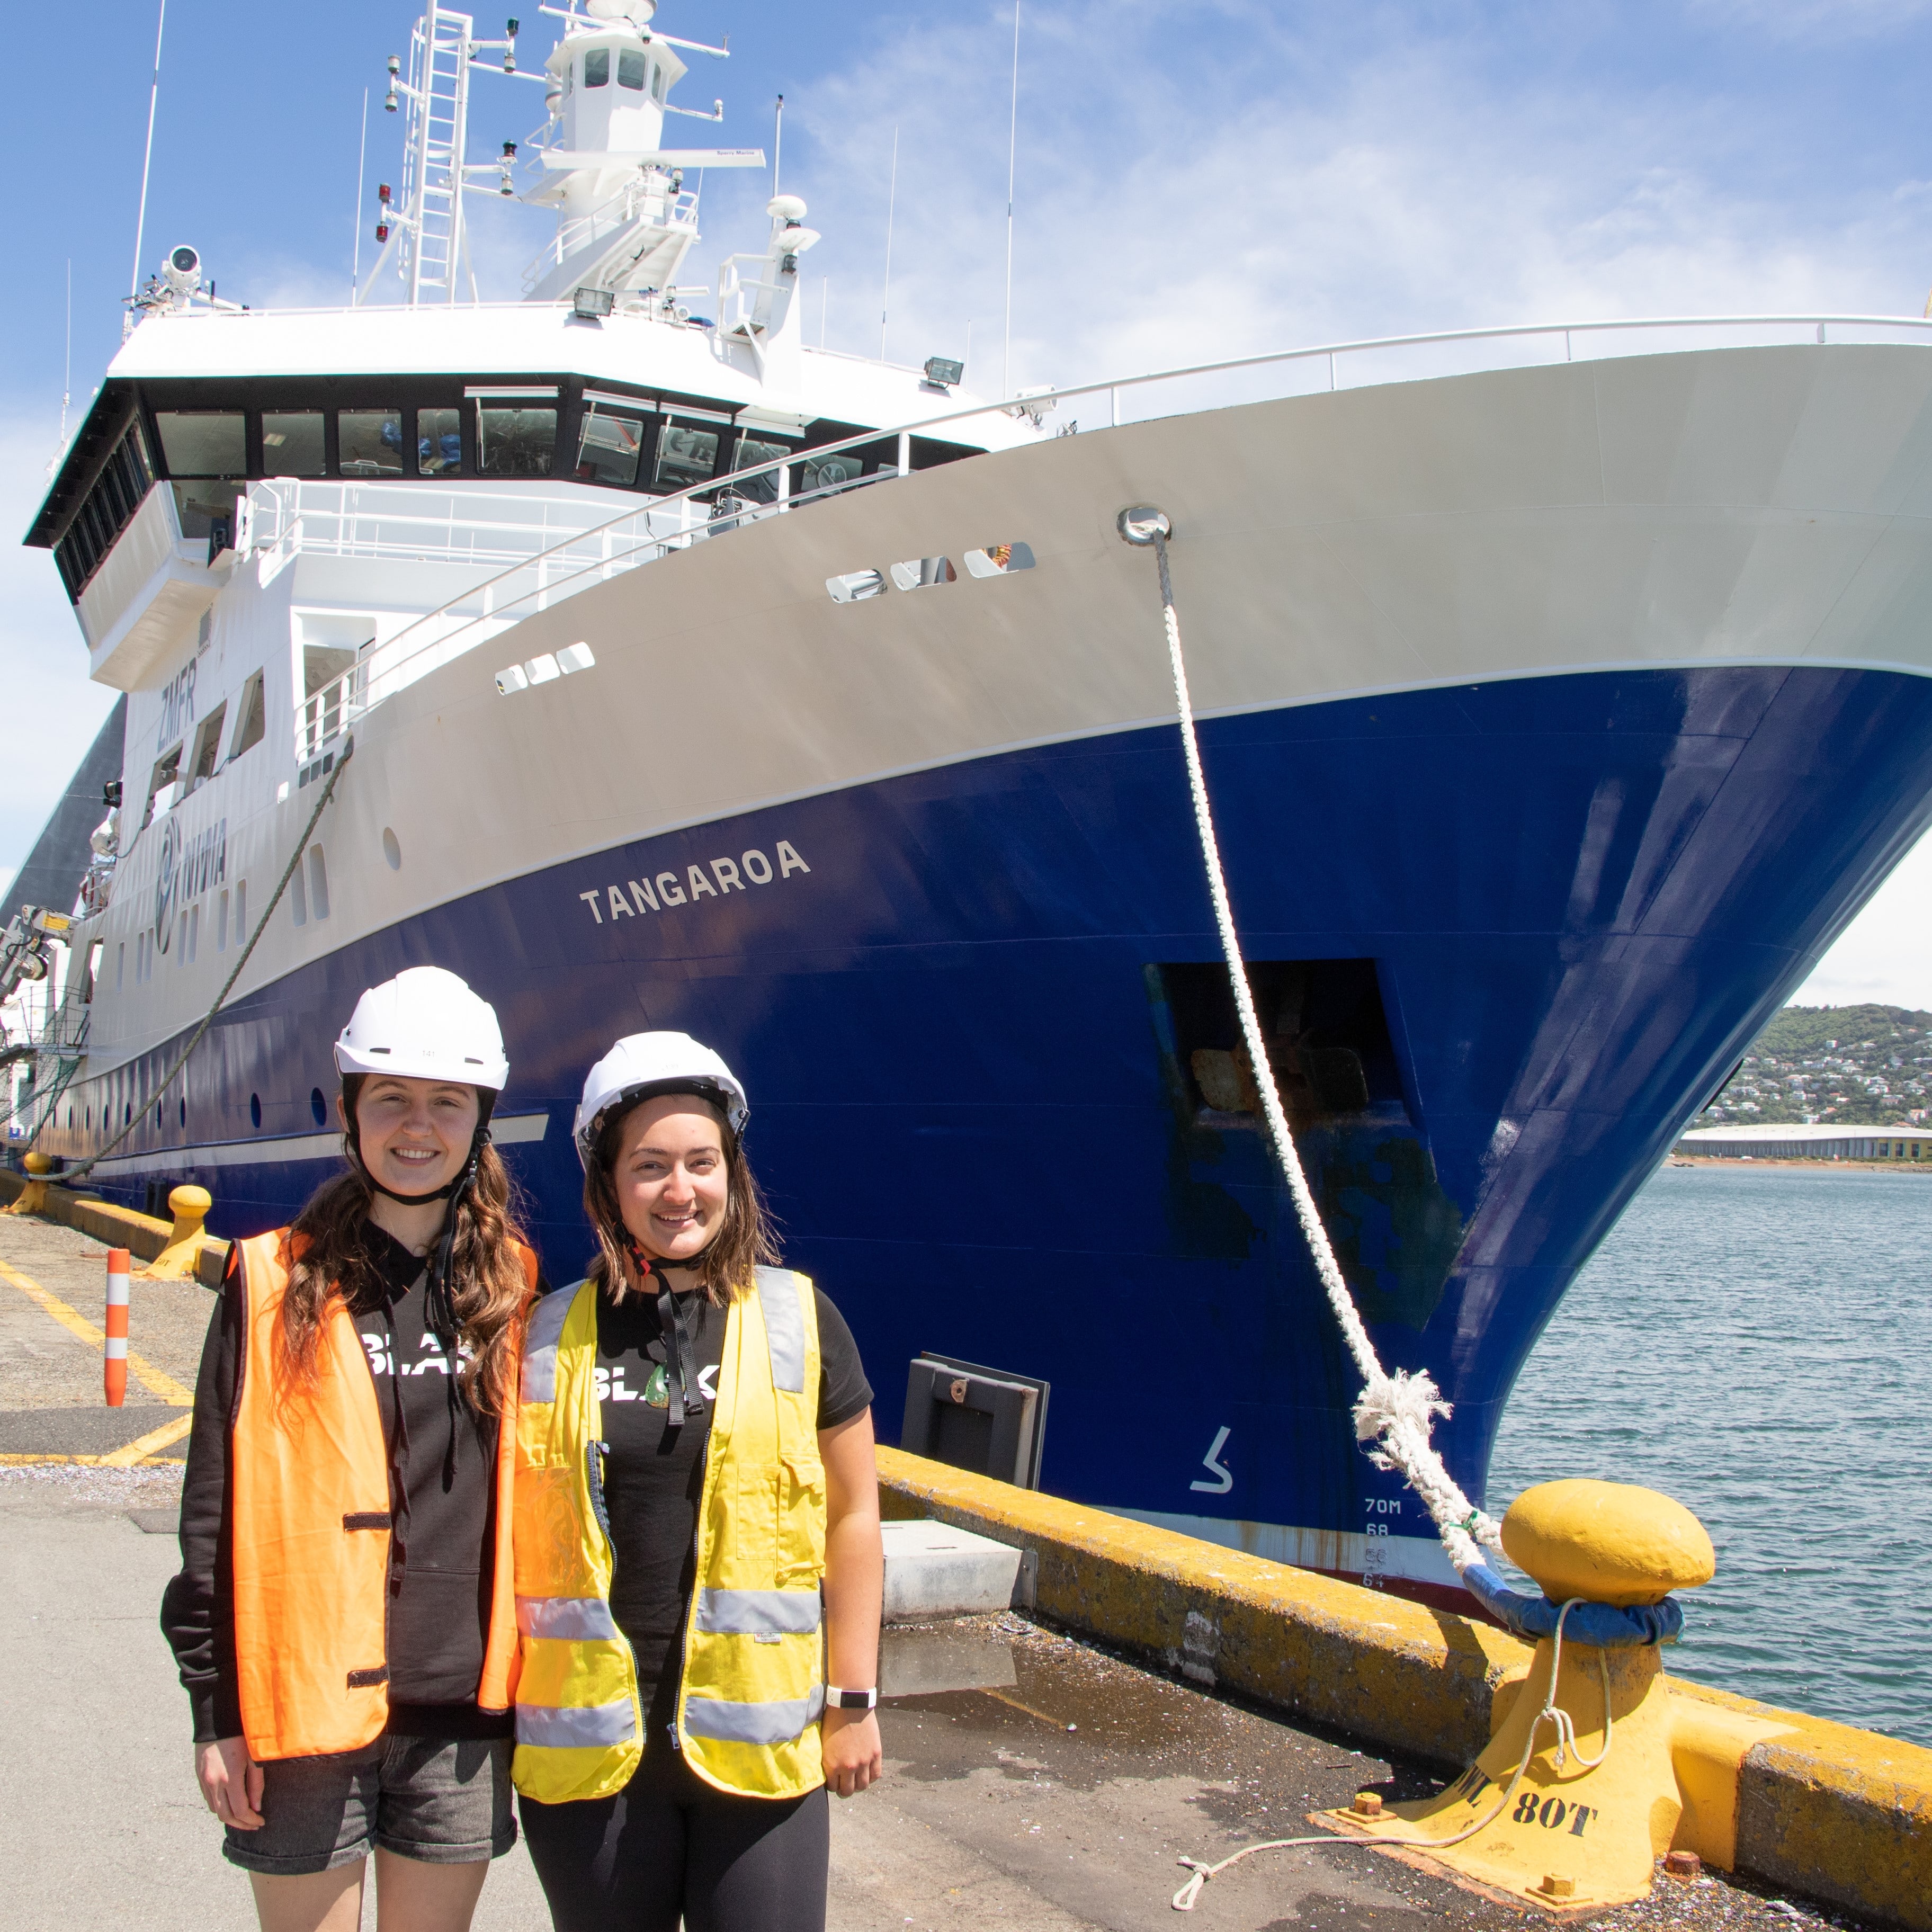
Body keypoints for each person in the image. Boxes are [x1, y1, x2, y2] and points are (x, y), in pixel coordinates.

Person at [161, 967, 541, 1932]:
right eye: (391, 1098)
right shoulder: (268, 1281)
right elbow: (212, 1513)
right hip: (302, 1708)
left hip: (461, 1717)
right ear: (349, 1113)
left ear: (480, 1120)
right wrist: (217, 1714)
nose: (418, 1126)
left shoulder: (512, 1288)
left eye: (447, 1102)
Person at [514, 1032, 883, 1932]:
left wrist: (853, 1700)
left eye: (701, 1162)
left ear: (732, 1172)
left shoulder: (800, 1318)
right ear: (607, 1184)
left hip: (758, 1749)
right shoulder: (543, 1333)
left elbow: (854, 1515)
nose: (680, 1190)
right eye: (649, 1166)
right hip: (592, 1755)